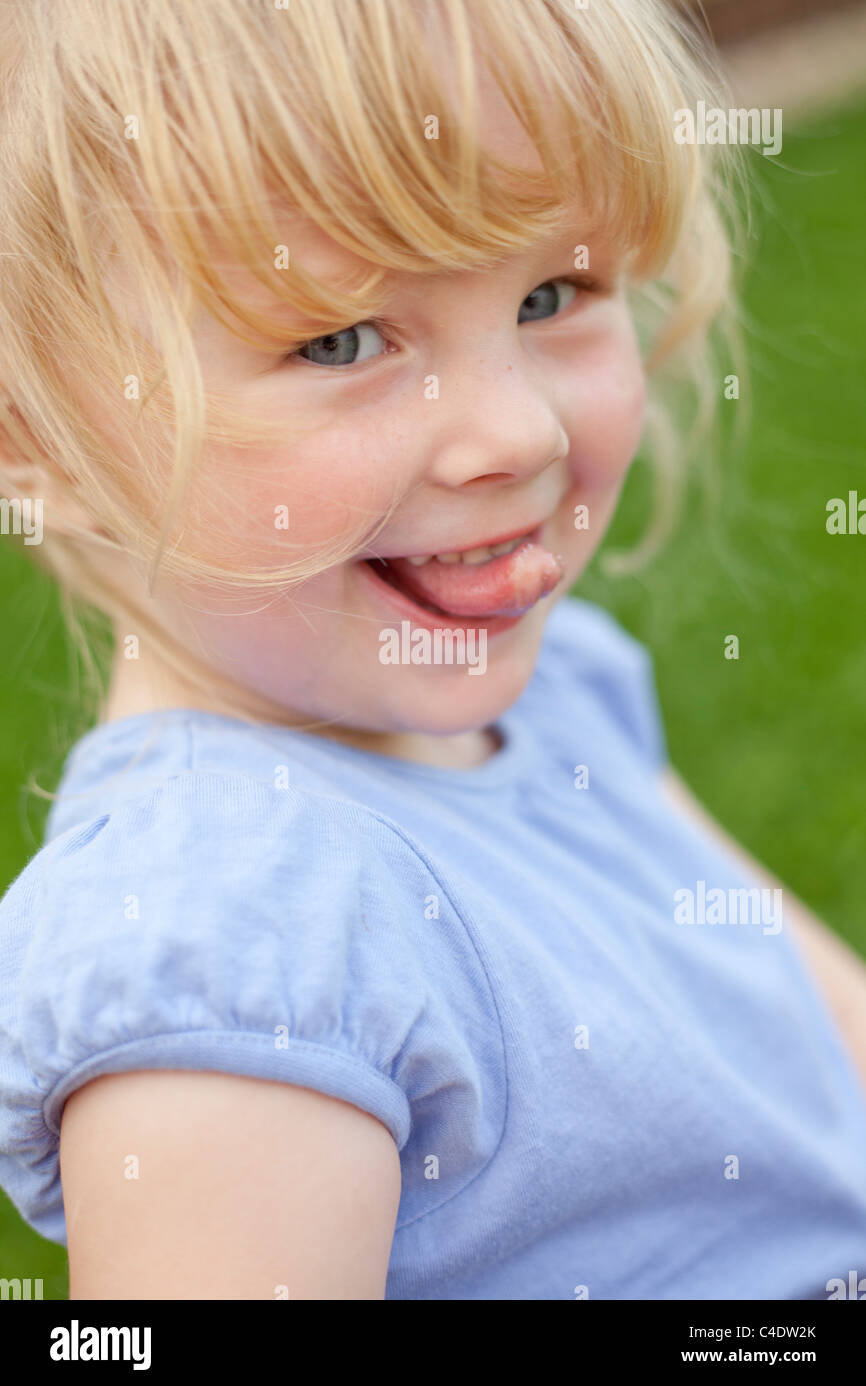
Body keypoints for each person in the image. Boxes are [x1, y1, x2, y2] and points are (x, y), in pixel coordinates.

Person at [1, 0, 865, 1300]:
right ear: (36, 443)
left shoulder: (553, 686)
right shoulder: (231, 966)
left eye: (552, 292)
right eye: (340, 339)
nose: (513, 431)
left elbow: (820, 1035)